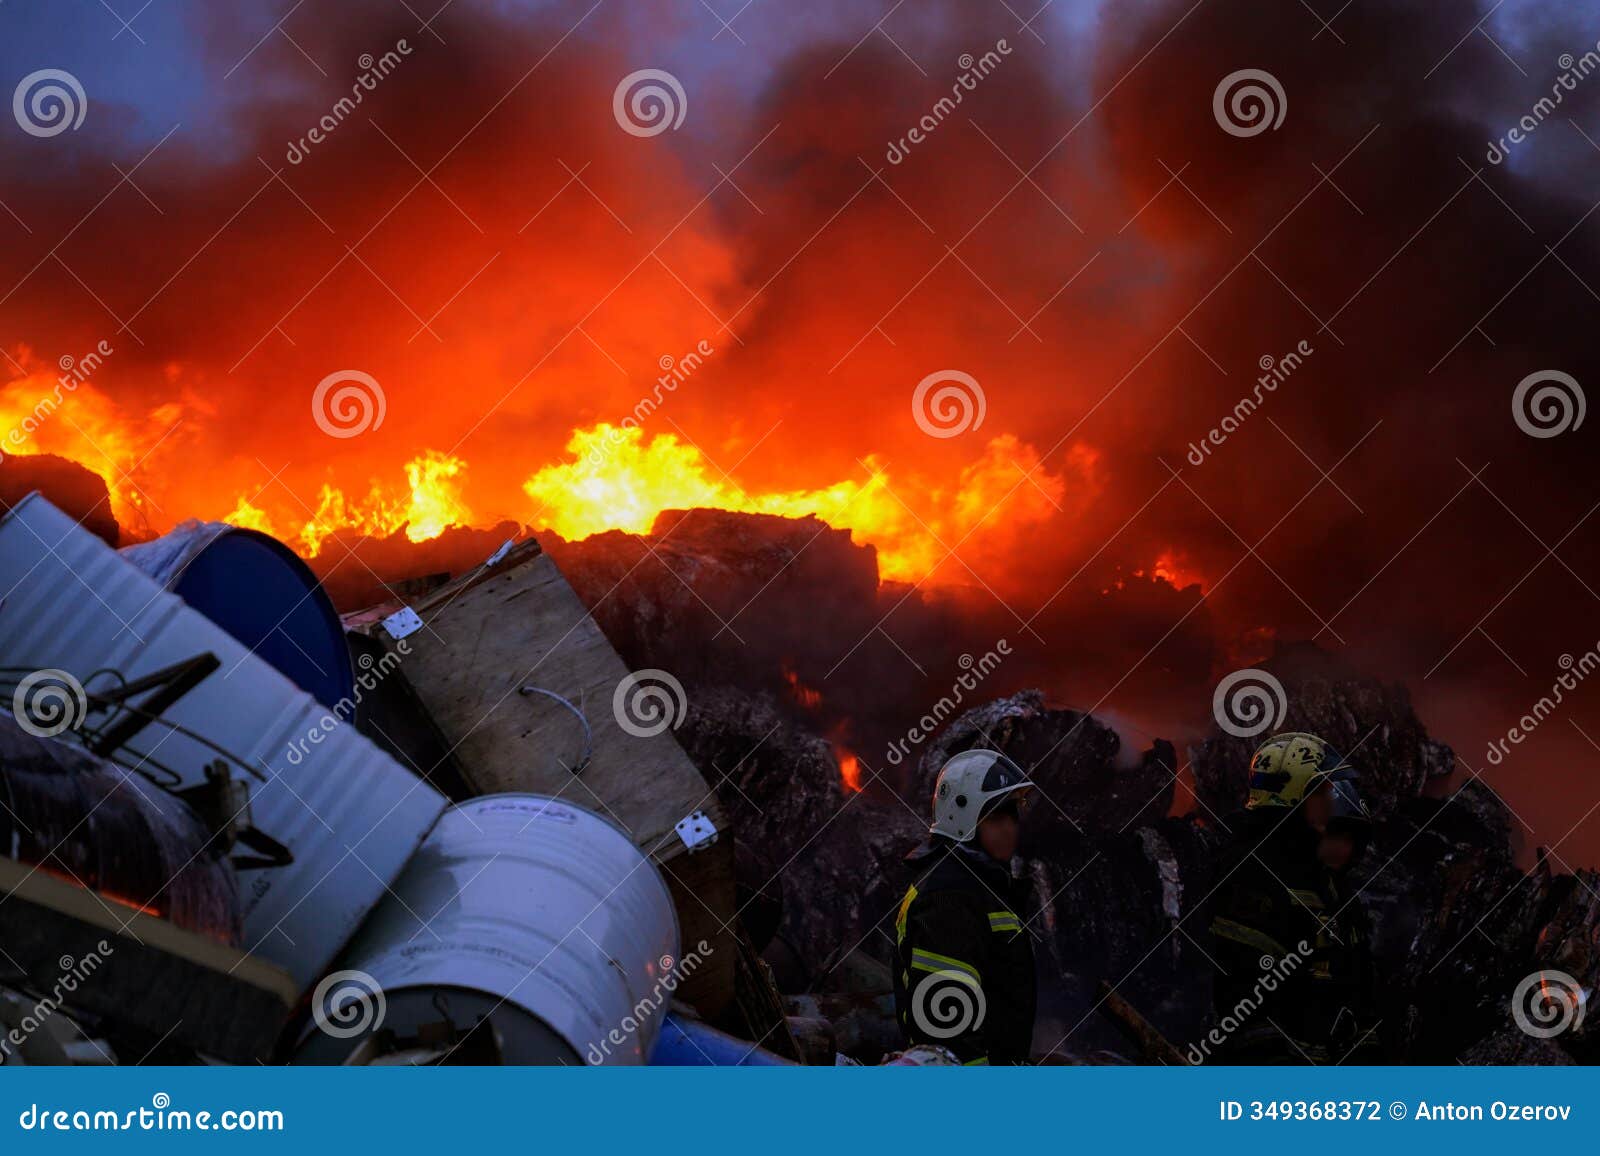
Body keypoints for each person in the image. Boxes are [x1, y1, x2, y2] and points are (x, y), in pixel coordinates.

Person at [1206, 731, 1377, 1064]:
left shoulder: (1326, 884)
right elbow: (1242, 999)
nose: (1333, 802)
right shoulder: (1251, 876)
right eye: (1323, 791)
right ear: (1290, 796)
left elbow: (1359, 990)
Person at [892, 749, 1037, 1065]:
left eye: (1013, 816)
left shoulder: (978, 885)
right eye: (996, 818)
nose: (1009, 829)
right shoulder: (948, 896)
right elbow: (945, 1029)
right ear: (962, 819)